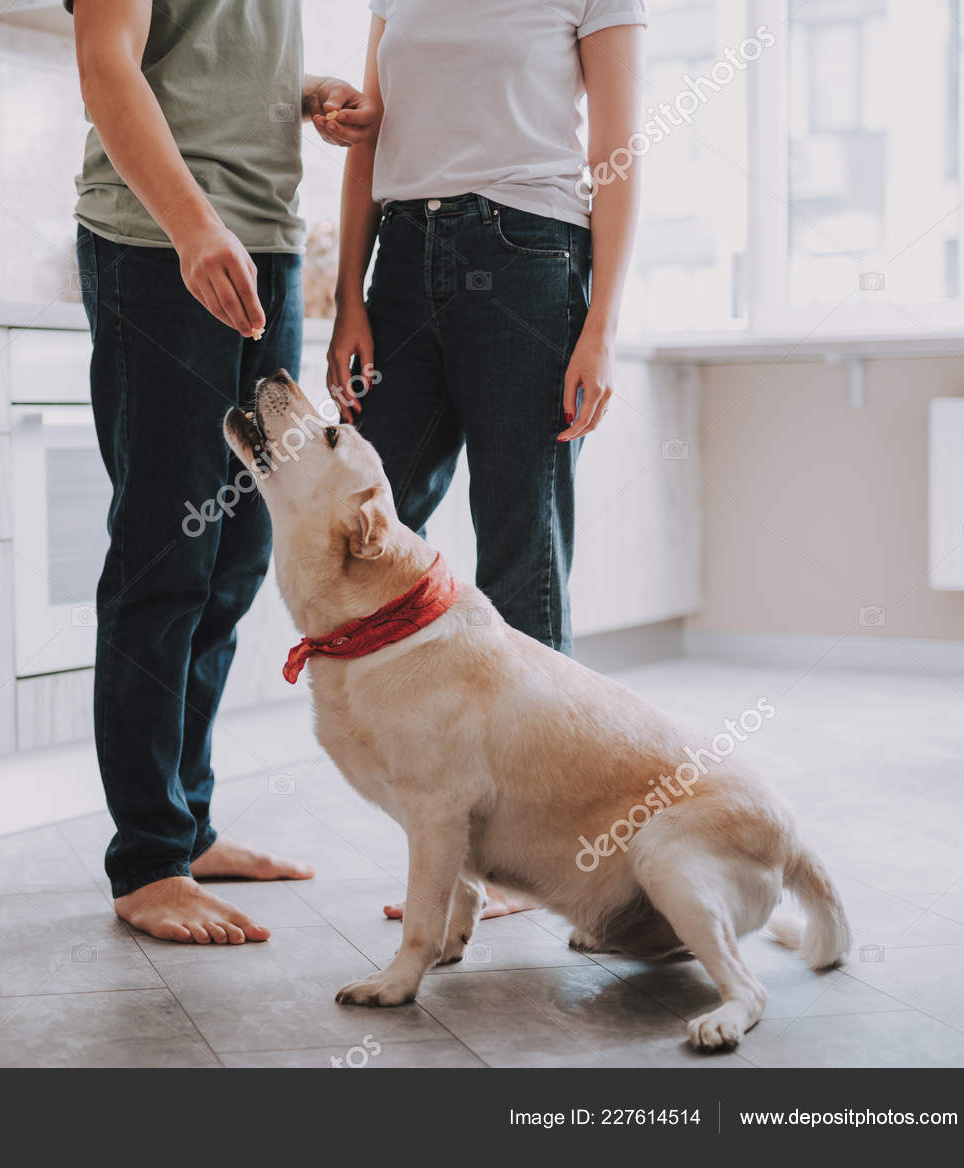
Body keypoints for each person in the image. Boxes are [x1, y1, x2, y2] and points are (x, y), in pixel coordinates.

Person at [325, 0, 647, 922]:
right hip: (402, 262)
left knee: (521, 543)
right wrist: (350, 296)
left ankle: (528, 857)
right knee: (376, 535)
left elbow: (617, 154)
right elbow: (369, 143)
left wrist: (603, 325)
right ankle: (443, 832)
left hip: (528, 255)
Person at [68, 0, 378, 943]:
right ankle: (149, 862)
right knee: (165, 563)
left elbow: (205, 63)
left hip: (265, 249)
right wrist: (194, 225)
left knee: (234, 562)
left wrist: (306, 92)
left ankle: (188, 825)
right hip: (161, 247)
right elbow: (108, 62)